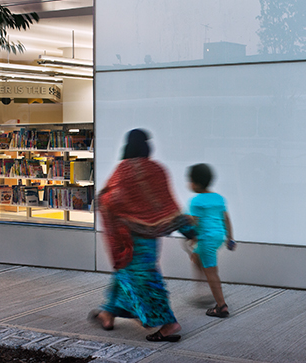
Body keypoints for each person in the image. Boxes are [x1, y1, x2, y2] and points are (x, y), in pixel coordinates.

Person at [90, 129, 195, 342]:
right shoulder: (157, 170)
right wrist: (190, 230)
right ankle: (107, 314)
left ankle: (168, 324)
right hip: (150, 238)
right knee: (125, 275)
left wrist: (105, 200)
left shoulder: (124, 170)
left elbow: (110, 199)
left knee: (142, 279)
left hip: (128, 239)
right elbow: (167, 206)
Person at [186, 163, 235, 318]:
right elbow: (226, 218)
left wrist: (192, 239)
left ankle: (221, 306)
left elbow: (195, 223)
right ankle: (205, 291)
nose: (189, 184)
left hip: (206, 239)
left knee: (212, 272)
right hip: (218, 236)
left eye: (190, 180)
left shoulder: (196, 201)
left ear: (197, 183)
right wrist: (230, 238)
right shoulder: (219, 198)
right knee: (197, 258)